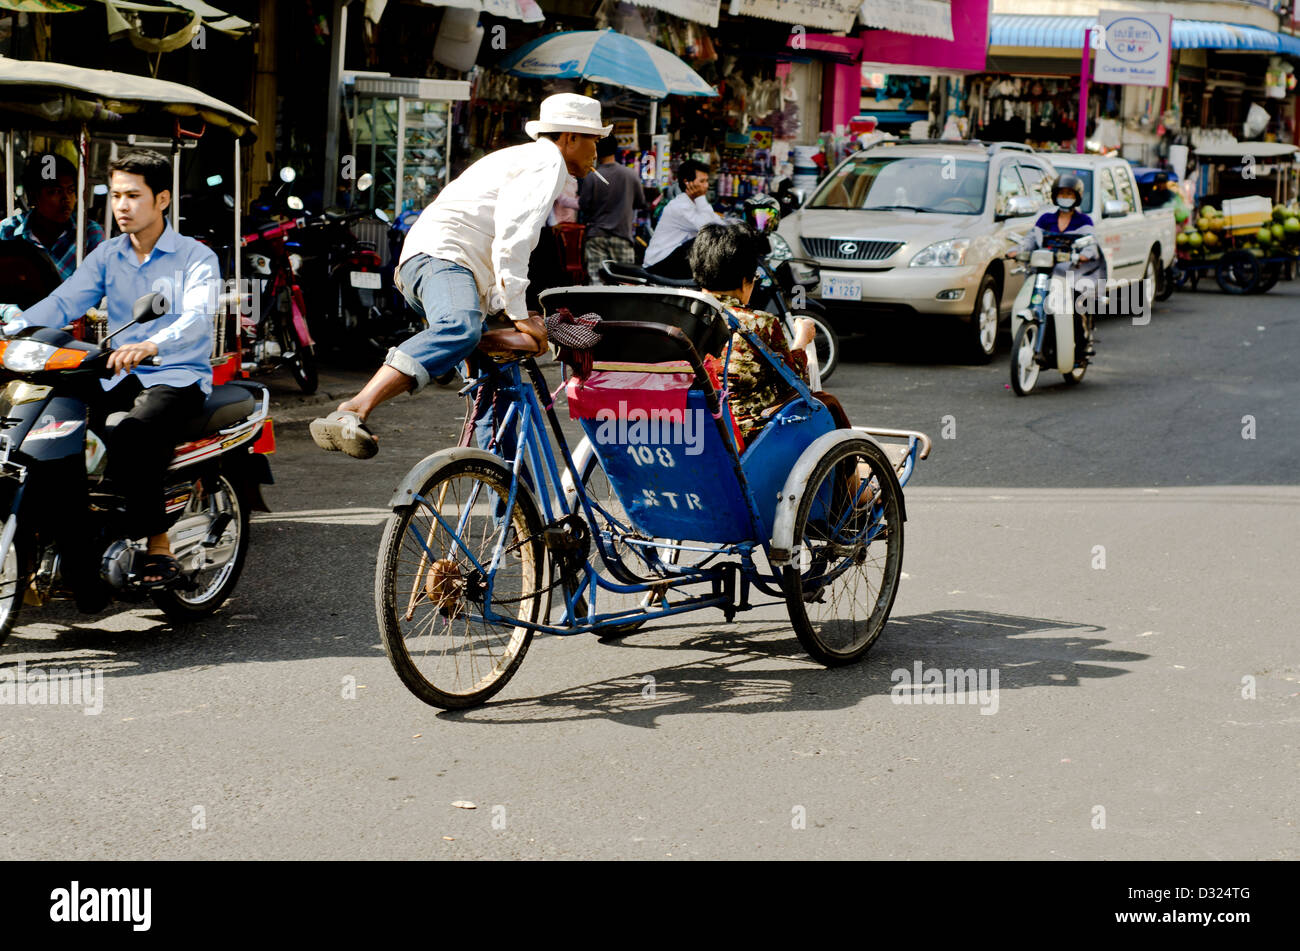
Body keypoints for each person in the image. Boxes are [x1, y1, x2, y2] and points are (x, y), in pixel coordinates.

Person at [310, 93, 610, 459]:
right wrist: (517, 313)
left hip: (442, 264)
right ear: (569, 138)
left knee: (498, 391)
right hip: (442, 258)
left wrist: (511, 309)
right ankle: (354, 408)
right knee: (460, 328)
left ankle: (513, 504)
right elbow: (513, 240)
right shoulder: (546, 162)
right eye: (593, 139)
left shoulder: (525, 159)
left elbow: (498, 247)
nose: (596, 150)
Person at [2, 149, 217, 590]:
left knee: (131, 431)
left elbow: (197, 315)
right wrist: (12, 326)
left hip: (175, 375)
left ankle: (158, 546)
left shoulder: (195, 257)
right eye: (116, 195)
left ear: (162, 200)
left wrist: (152, 342)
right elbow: (65, 300)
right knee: (52, 422)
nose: (121, 206)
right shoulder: (107, 254)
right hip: (117, 373)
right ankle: (72, 538)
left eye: (133, 196)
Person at [1007, 173, 1103, 359]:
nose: (1065, 198)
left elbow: (1091, 244)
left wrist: (1084, 255)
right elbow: (1030, 240)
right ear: (1054, 195)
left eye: (1069, 194)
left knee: (1074, 308)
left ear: (1077, 197)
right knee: (1036, 302)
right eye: (1062, 193)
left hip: (1071, 275)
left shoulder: (1084, 221)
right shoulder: (1045, 220)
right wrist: (1016, 250)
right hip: (1044, 274)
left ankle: (1080, 347)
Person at [0, 152, 105, 282]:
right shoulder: (8, 230)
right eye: (55, 191)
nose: (66, 199)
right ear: (33, 196)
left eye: (71, 190)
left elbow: (98, 290)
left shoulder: (89, 234)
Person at [578, 134, 646, 283]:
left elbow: (583, 206)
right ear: (616, 149)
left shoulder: (592, 177)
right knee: (624, 284)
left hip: (596, 237)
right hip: (623, 236)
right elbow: (641, 203)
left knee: (597, 283)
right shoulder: (631, 175)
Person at [644, 159, 720, 280]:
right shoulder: (679, 206)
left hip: (671, 261)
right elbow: (709, 228)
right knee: (705, 240)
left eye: (706, 181)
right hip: (658, 264)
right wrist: (701, 198)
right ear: (687, 183)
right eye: (702, 181)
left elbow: (719, 225)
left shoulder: (696, 204)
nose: (706, 185)